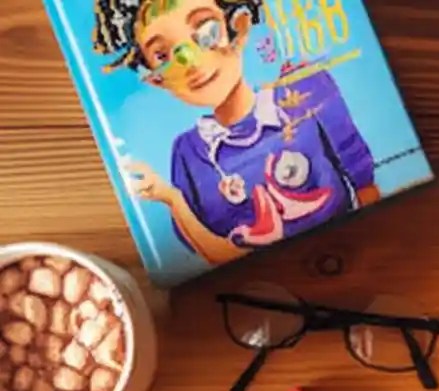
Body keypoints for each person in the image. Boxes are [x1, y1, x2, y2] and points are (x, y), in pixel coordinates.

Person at [91, 0, 379, 264]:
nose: (191, 62)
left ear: (238, 28)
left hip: (356, 249)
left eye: (205, 29)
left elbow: (365, 186)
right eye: (162, 55)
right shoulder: (188, 154)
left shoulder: (305, 86)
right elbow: (217, 257)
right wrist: (170, 198)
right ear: (156, 79)